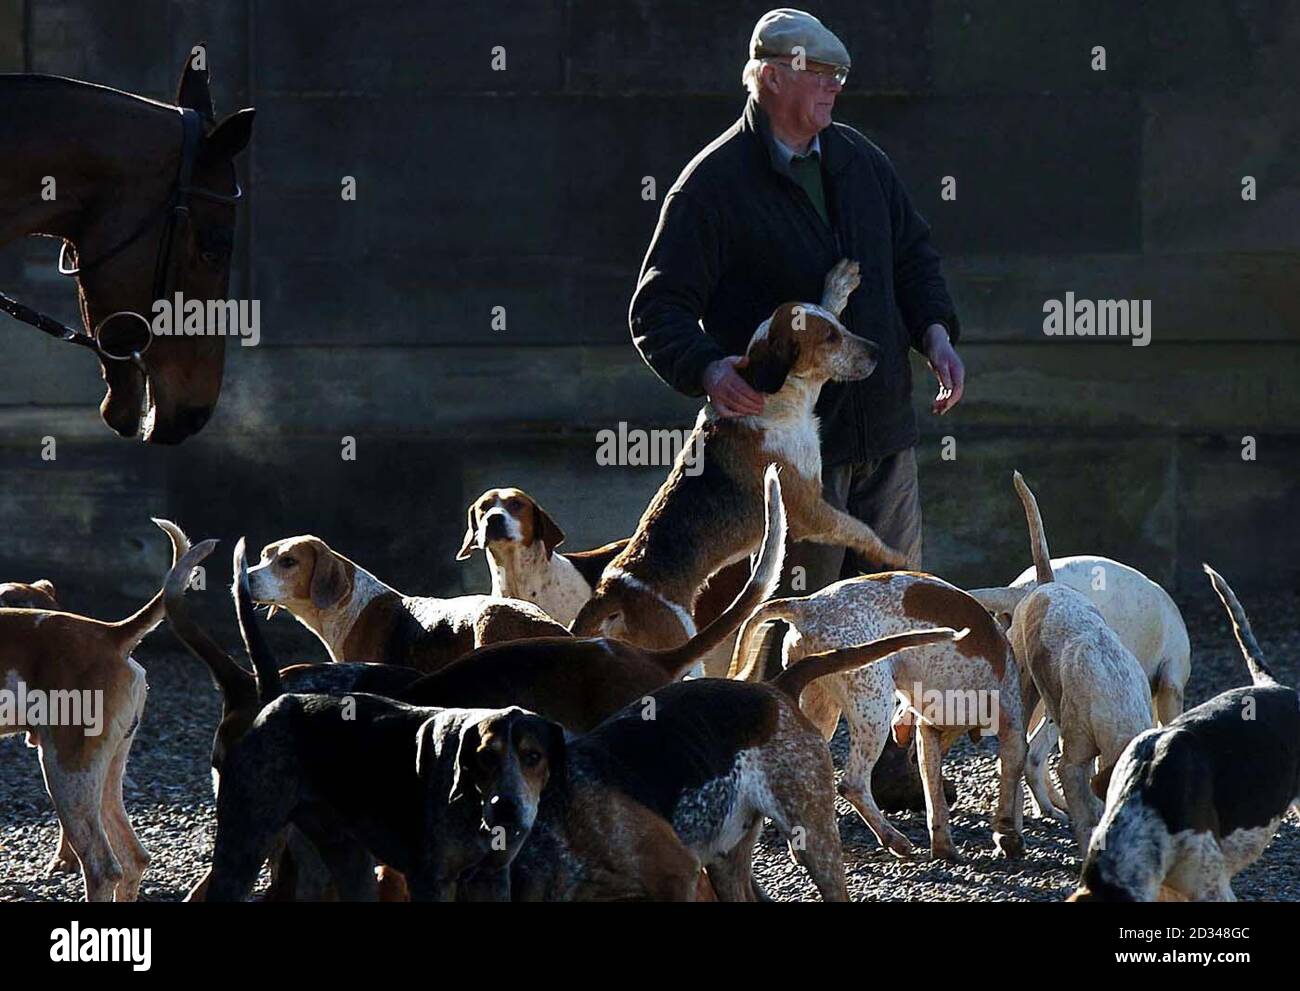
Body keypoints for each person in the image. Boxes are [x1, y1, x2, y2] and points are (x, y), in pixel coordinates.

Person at [628, 8, 965, 807]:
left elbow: (914, 253)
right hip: (785, 456)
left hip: (884, 426)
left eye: (842, 77)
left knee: (897, 598)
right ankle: (776, 777)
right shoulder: (711, 183)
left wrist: (939, 334)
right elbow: (657, 307)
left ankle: (890, 771)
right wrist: (708, 367)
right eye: (822, 74)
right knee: (797, 622)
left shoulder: (861, 161)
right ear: (771, 74)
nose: (836, 89)